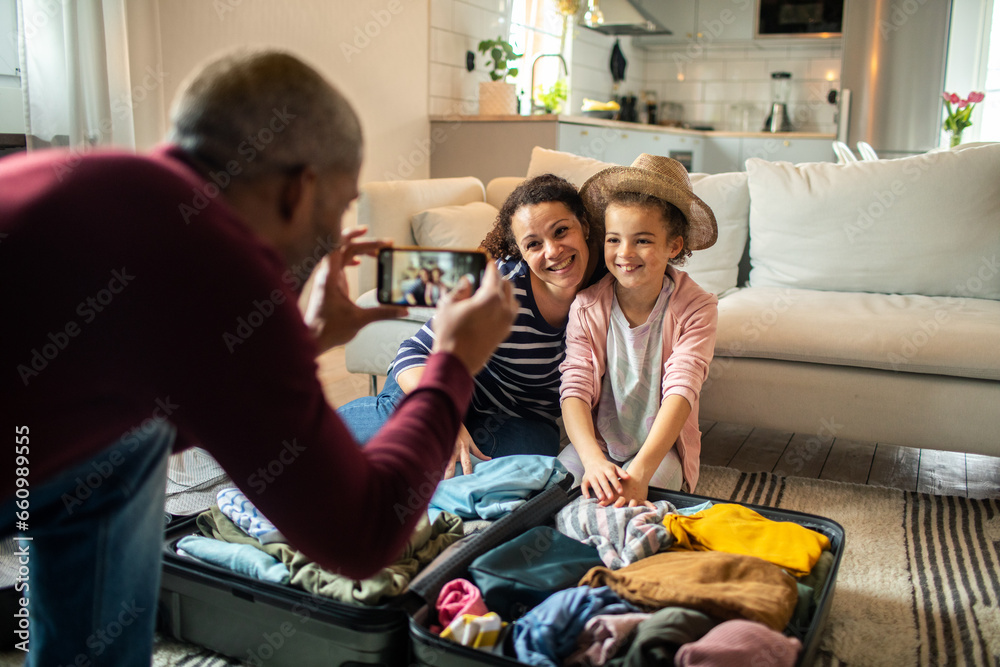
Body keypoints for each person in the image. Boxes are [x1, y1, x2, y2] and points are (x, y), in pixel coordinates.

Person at [0, 49, 518, 665]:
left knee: (126, 451)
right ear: (300, 189)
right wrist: (454, 362)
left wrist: (302, 336)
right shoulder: (219, 264)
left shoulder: (109, 179)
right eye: (339, 203)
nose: (337, 228)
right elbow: (361, 536)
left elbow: (179, 376)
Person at [338, 174, 606, 477]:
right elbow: (413, 352)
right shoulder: (499, 287)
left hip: (516, 417)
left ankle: (441, 455)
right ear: (520, 250)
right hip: (441, 386)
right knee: (409, 429)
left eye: (561, 231)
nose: (553, 251)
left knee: (532, 462)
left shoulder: (609, 289)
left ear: (583, 224)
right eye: (533, 244)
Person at [557, 154, 719, 506]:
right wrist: (593, 461)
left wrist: (641, 473)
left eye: (642, 240)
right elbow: (575, 388)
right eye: (614, 239)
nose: (625, 253)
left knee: (631, 506)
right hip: (598, 445)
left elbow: (682, 390)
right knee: (553, 493)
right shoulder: (586, 306)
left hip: (659, 453)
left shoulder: (696, 307)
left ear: (673, 246)